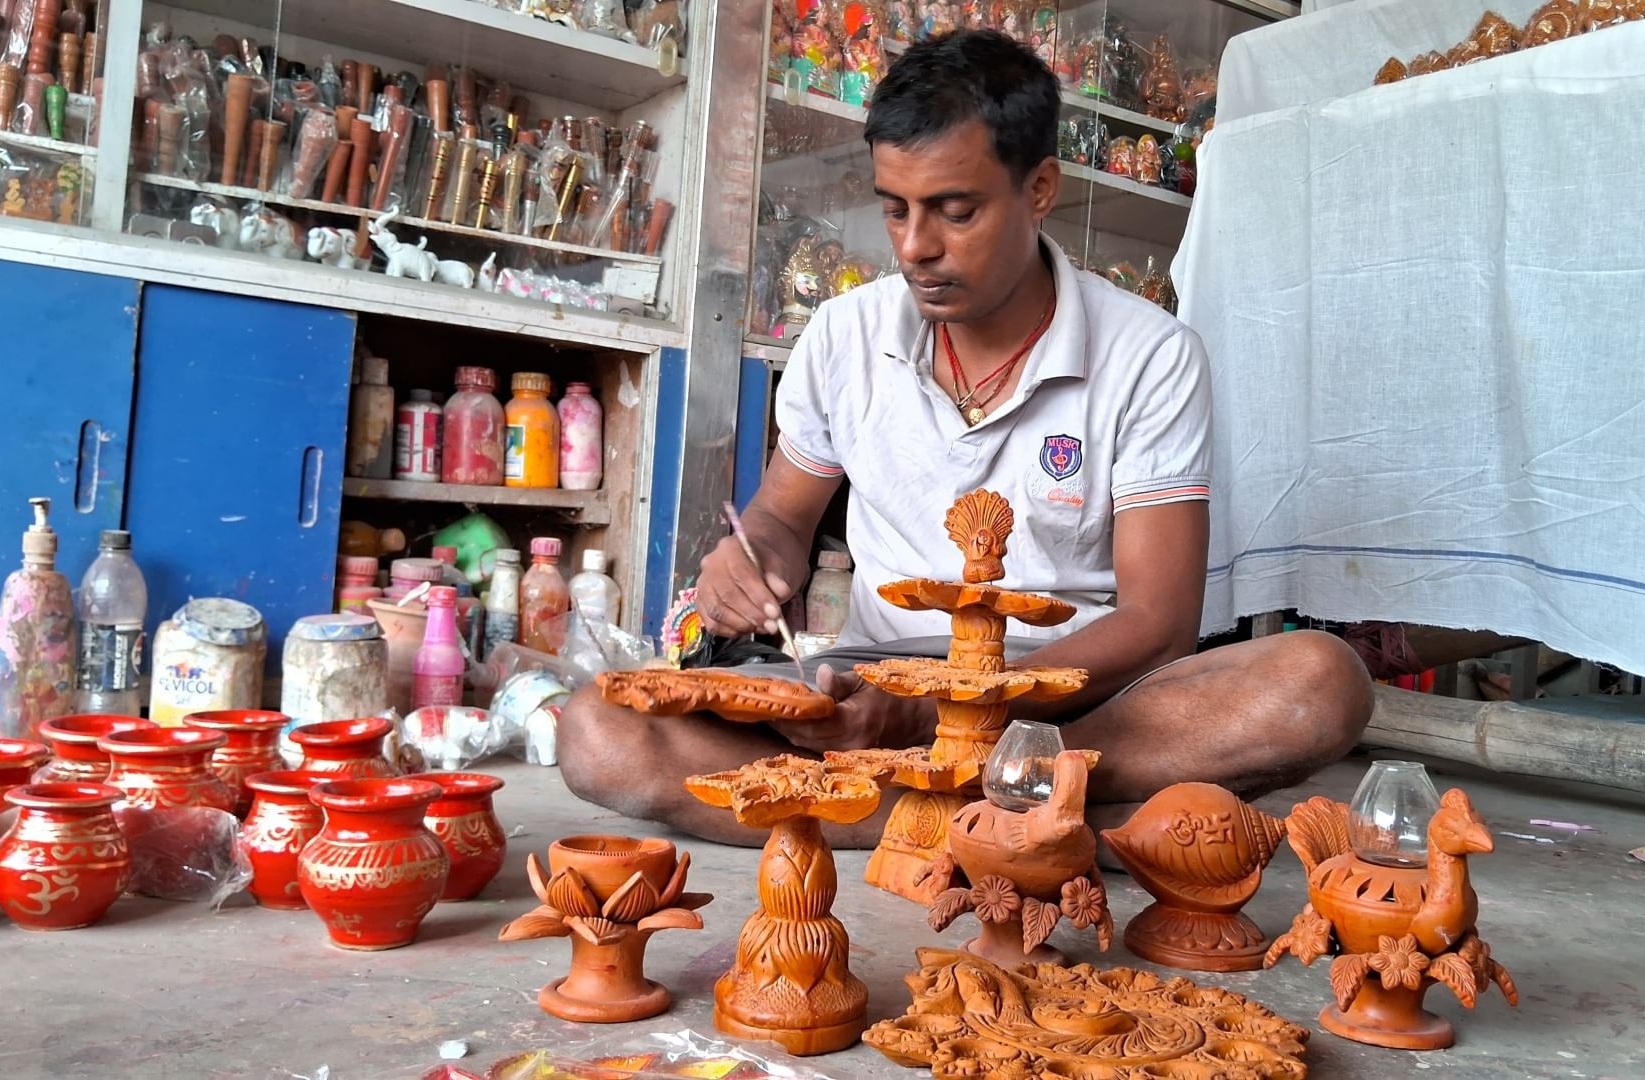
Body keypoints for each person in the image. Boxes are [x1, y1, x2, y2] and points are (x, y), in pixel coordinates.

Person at [558, 30, 1372, 845]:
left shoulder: (1149, 355)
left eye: (957, 211)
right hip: (876, 685)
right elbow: (780, 518)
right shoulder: (845, 334)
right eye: (895, 209)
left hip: (1070, 695)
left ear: (1040, 188)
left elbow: (1160, 621)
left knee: (1318, 682)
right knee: (599, 731)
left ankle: (904, 806)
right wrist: (752, 559)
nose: (916, 247)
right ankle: (1048, 820)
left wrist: (946, 711)